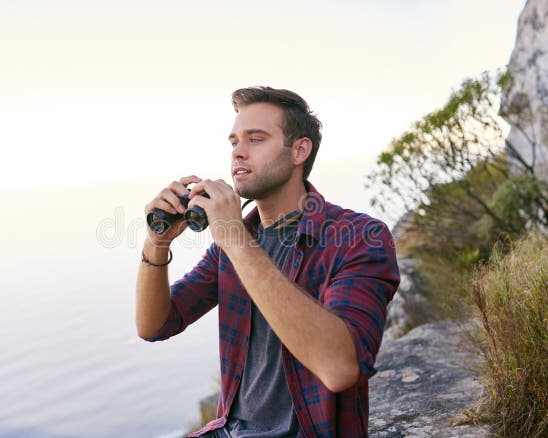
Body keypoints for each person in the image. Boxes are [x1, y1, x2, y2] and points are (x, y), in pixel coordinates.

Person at [136, 86, 400, 437]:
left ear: (299, 151)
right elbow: (154, 326)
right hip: (228, 430)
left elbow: (339, 368)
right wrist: (157, 243)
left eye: (255, 139)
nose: (238, 153)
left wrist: (234, 240)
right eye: (234, 142)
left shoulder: (358, 237)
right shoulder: (235, 243)